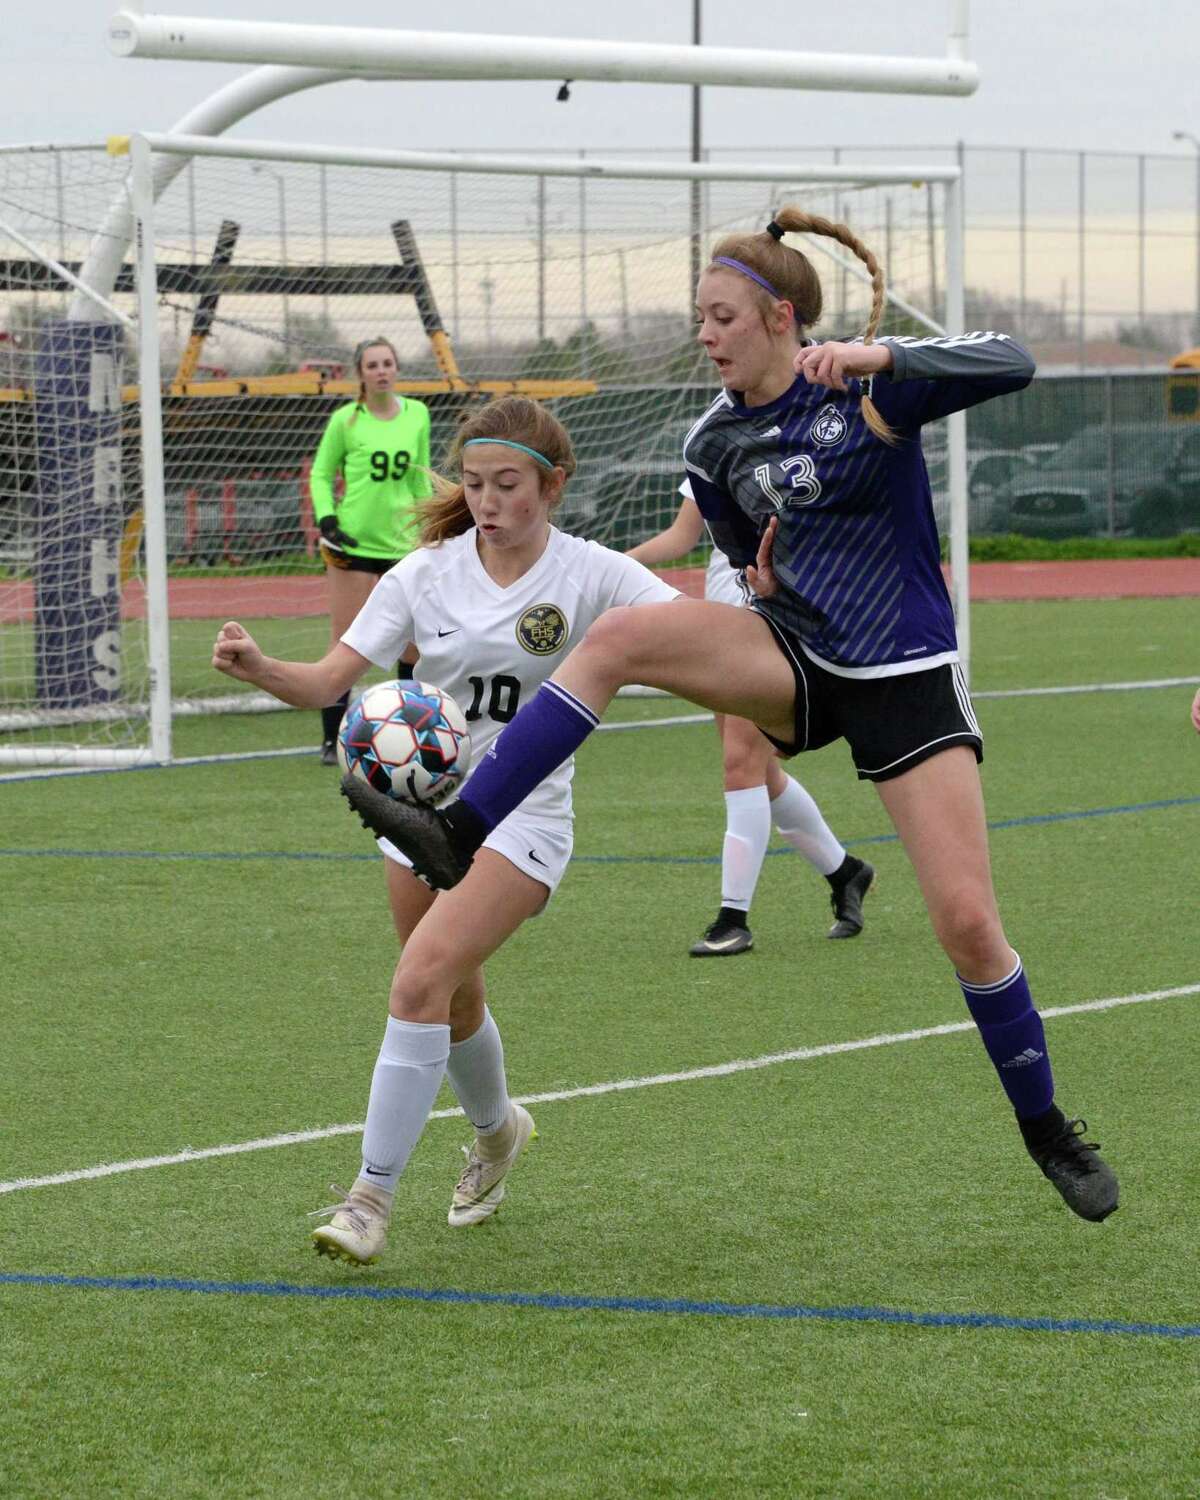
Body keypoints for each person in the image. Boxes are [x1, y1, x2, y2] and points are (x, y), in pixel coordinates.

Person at [343, 207, 1121, 1226]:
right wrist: (760, 568)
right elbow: (748, 541)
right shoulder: (713, 439)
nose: (704, 335)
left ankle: (1046, 1125)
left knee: (969, 927)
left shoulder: (870, 391)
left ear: (781, 318)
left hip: (902, 670)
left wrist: (878, 352)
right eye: (699, 317)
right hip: (793, 655)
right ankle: (461, 828)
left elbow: (1010, 361)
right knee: (616, 642)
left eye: (720, 317)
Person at [213, 396, 680, 1265]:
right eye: (473, 483)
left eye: (508, 484)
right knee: (454, 996)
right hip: (415, 817)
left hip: (525, 818)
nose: (489, 500)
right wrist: (261, 666)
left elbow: (688, 629)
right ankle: (500, 1134)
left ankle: (368, 1199)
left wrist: (758, 608)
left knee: (420, 978)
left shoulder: (594, 574)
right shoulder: (423, 574)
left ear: (554, 484)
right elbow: (327, 684)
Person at [628, 487, 873, 954]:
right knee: (760, 771)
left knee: (741, 762)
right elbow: (681, 537)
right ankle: (846, 873)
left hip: (774, 620)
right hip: (725, 627)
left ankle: (733, 919)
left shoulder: (799, 452)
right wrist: (612, 561)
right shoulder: (709, 446)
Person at [309, 336, 432, 763]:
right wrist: (328, 519)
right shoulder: (346, 421)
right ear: (359, 373)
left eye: (387, 363)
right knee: (346, 639)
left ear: (397, 369)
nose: (381, 371)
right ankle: (330, 739)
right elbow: (322, 475)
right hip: (354, 544)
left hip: (404, 545)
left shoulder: (418, 415)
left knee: (415, 644)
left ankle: (416, 731)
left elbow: (419, 478)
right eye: (372, 365)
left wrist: (430, 526)